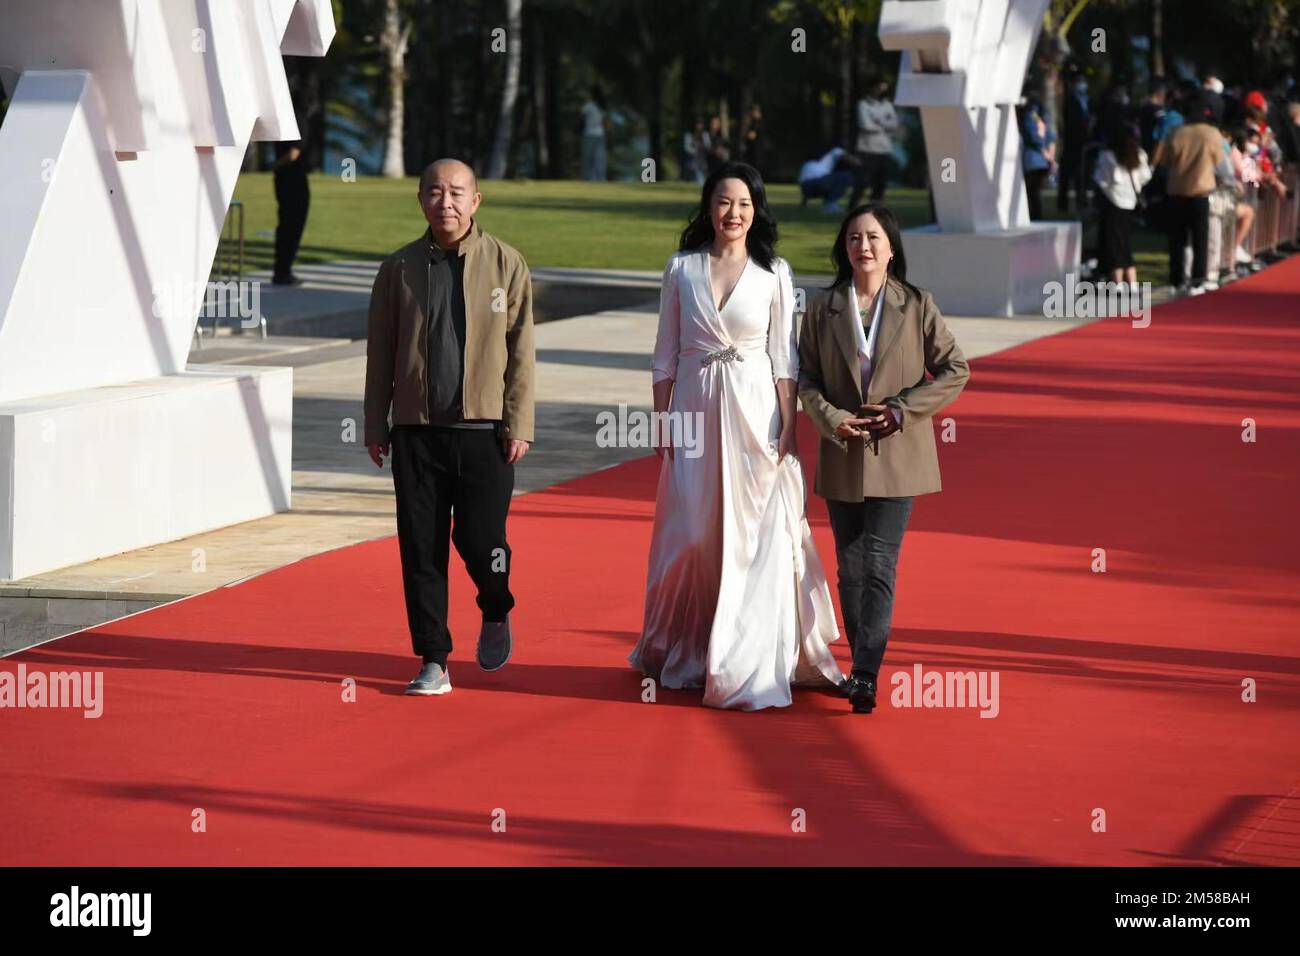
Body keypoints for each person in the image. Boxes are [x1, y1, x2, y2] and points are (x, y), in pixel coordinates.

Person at [630, 162, 844, 711]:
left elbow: (783, 357)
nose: (734, 213)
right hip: (695, 411)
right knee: (695, 536)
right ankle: (689, 648)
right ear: (708, 207)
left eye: (744, 203)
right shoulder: (681, 268)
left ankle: (748, 656)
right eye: (724, 202)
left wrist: (788, 428)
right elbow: (664, 354)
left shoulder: (775, 272)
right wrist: (662, 421)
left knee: (752, 533)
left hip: (756, 413)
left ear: (757, 210)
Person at [364, 159, 535, 697]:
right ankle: (433, 658)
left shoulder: (507, 264)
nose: (447, 202)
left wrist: (518, 423)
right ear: (420, 200)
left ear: (476, 200)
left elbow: (521, 353)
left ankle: (496, 603)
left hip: (483, 434)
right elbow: (381, 353)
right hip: (416, 431)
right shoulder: (398, 269)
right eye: (435, 192)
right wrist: (377, 422)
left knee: (484, 541)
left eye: (457, 192)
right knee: (421, 547)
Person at [797, 204, 969, 714]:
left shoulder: (917, 305)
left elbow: (955, 369)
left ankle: (866, 673)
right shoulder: (822, 309)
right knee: (849, 568)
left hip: (899, 455)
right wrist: (829, 418)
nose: (863, 246)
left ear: (892, 248)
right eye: (854, 238)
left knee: (878, 563)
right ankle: (859, 663)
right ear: (844, 248)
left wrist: (901, 411)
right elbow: (805, 379)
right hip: (843, 451)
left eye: (873, 237)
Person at [1158, 94, 1229, 294]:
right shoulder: (1212, 134)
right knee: (1200, 239)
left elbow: (1166, 160)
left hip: (1177, 190)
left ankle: (1176, 279)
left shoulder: (1176, 133)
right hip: (1200, 191)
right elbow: (1220, 163)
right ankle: (1198, 279)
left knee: (1177, 239)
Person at [1093, 123, 1151, 290]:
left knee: (1113, 243)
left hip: (1113, 203)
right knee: (1125, 242)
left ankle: (1117, 282)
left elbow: (1102, 180)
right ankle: (1131, 282)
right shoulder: (1139, 154)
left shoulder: (1107, 156)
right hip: (1130, 203)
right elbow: (1145, 176)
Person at [850, 79, 898, 206]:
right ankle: (853, 206)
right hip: (867, 149)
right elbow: (866, 125)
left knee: (881, 183)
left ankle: (876, 209)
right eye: (879, 88)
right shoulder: (863, 104)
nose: (881, 91)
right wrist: (884, 125)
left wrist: (878, 121)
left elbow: (894, 124)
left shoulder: (887, 104)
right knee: (862, 181)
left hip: (884, 149)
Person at [272, 140, 309, 285]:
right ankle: (283, 271)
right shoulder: (300, 121)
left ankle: (281, 270)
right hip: (294, 179)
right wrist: (274, 165)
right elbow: (293, 154)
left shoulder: (285, 121)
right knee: (293, 225)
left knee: (285, 224)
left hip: (282, 178)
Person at [1058, 70, 1092, 213]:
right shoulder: (1070, 100)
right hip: (1071, 142)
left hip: (1082, 143)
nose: (1082, 85)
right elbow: (1072, 123)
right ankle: (1063, 204)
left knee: (1080, 174)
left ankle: (1081, 201)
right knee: (1067, 174)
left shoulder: (1086, 100)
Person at [1021, 96, 1056, 221]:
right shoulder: (1043, 119)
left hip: (1033, 161)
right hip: (1043, 163)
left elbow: (1034, 139)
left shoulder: (1030, 117)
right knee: (1036, 192)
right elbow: (1051, 138)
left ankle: (1035, 216)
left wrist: (1045, 153)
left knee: (1031, 192)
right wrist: (1051, 157)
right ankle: (1037, 215)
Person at [798, 146, 860, 213]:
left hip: (805, 189)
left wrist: (803, 203)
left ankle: (828, 204)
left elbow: (806, 180)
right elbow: (847, 157)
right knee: (845, 177)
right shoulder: (834, 151)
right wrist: (860, 163)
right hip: (817, 184)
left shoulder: (811, 162)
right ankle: (830, 204)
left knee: (832, 183)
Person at [580, 86, 607, 181]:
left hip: (589, 134)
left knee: (588, 158)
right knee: (599, 158)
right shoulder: (602, 106)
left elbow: (581, 119)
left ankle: (587, 179)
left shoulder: (589, 106)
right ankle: (600, 179)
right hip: (600, 134)